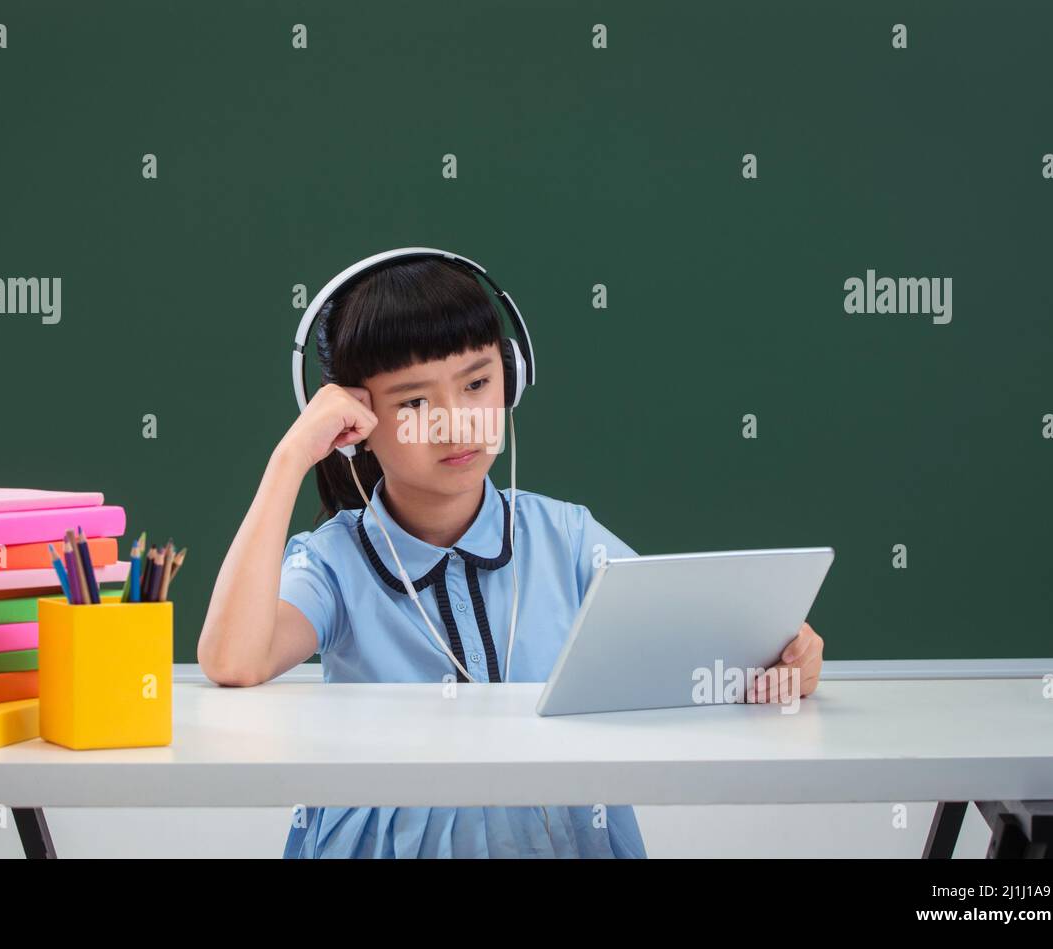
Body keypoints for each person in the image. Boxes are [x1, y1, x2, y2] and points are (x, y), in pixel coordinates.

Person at [197, 253, 825, 857]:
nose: (456, 423)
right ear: (353, 422)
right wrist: (291, 458)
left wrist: (781, 652)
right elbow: (233, 660)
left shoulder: (568, 539)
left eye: (476, 384)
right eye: (413, 402)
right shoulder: (337, 562)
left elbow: (704, 639)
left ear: (512, 378)